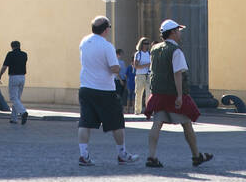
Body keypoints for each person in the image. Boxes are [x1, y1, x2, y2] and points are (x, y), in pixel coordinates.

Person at [145, 19, 214, 169]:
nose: (180, 33)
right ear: (173, 32)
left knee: (157, 124)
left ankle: (151, 156)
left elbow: (153, 72)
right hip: (172, 93)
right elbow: (178, 74)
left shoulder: (155, 49)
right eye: (178, 31)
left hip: (158, 93)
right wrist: (179, 95)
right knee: (187, 123)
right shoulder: (176, 51)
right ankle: (196, 156)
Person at [77, 15, 140, 166]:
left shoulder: (84, 42)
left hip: (85, 87)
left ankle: (83, 155)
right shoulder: (107, 46)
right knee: (117, 123)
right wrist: (118, 68)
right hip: (104, 89)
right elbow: (114, 68)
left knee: (85, 123)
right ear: (106, 30)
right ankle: (122, 154)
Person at [0, 41, 29, 125]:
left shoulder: (10, 54)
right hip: (22, 77)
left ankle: (23, 112)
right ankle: (14, 118)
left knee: (13, 98)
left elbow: (5, 66)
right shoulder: (24, 54)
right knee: (17, 98)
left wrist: (0, 75)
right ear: (19, 46)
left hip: (14, 77)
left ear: (12, 47)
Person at [133, 38, 151, 114]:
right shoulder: (138, 54)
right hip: (140, 75)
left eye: (147, 43)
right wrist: (146, 65)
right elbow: (136, 66)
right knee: (139, 93)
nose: (146, 45)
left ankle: (149, 110)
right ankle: (137, 110)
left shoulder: (149, 54)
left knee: (149, 93)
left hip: (148, 75)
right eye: (145, 43)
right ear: (141, 44)